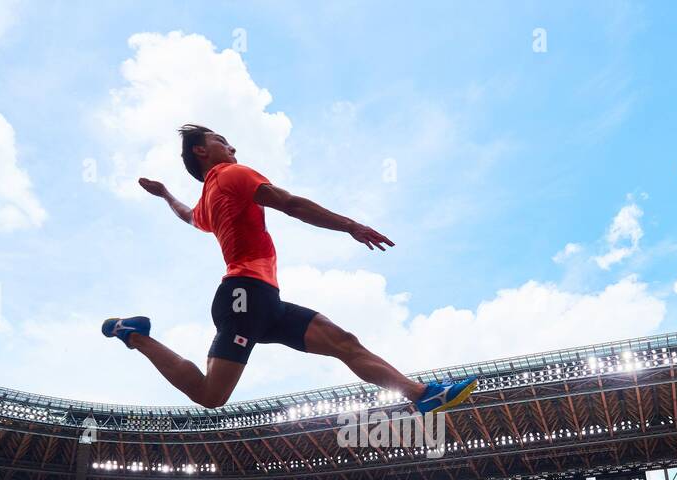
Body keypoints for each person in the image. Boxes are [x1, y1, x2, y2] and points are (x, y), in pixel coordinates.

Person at [101, 124, 477, 413]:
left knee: (344, 341)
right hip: (242, 297)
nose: (232, 147)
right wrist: (351, 226)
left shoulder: (208, 201)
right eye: (222, 141)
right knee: (211, 395)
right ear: (202, 151)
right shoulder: (232, 175)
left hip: (266, 300)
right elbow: (290, 203)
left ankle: (423, 395)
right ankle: (134, 334)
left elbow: (186, 215)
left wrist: (165, 193)